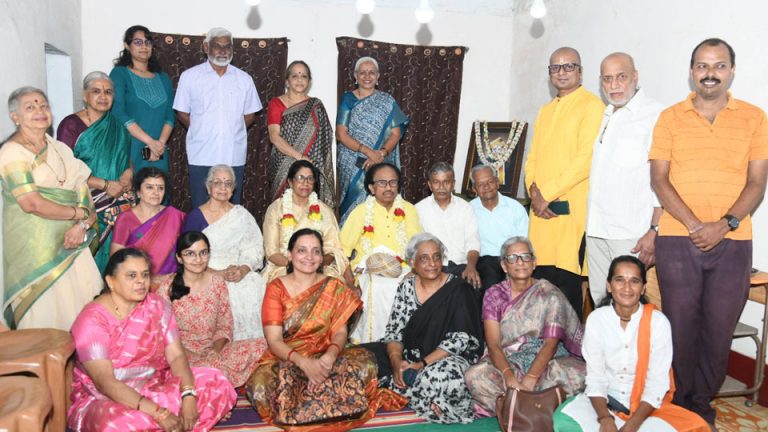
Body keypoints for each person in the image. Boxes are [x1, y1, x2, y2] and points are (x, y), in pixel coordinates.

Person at [649, 38, 768, 425]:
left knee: (719, 330)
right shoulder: (670, 117)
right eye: (702, 65)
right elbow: (659, 179)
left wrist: (724, 225)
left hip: (733, 242)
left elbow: (757, 182)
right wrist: (694, 225)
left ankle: (700, 405)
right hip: (677, 238)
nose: (710, 73)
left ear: (731, 71)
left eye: (718, 65)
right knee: (681, 327)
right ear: (691, 72)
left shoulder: (755, 118)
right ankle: (680, 405)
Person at [246, 229, 406, 430]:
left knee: (365, 365)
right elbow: (274, 341)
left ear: (322, 257)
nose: (309, 257)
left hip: (326, 354)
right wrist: (304, 363)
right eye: (302, 250)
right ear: (290, 255)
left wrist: (330, 356)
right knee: (261, 387)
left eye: (316, 251)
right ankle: (328, 400)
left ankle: (311, 400)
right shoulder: (276, 288)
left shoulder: (333, 286)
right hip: (287, 357)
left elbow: (340, 332)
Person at [68, 248, 236, 431]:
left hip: (154, 384)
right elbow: (105, 382)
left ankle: (177, 420)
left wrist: (188, 395)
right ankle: (179, 420)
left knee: (216, 381)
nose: (141, 281)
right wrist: (159, 413)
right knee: (115, 425)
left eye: (145, 274)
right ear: (111, 281)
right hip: (108, 397)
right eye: (132, 275)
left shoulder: (157, 306)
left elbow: (176, 357)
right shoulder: (92, 320)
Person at [553, 256, 709, 432]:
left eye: (634, 281)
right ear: (609, 286)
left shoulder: (658, 322)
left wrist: (633, 425)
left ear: (643, 288)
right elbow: (596, 378)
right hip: (604, 403)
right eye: (619, 280)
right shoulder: (597, 320)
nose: (627, 287)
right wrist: (605, 419)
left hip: (647, 409)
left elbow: (657, 384)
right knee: (562, 422)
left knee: (695, 427)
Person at [1, 87, 101, 330]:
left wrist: (82, 225)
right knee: (44, 310)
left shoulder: (60, 148)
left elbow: (80, 187)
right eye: (30, 107)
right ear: (15, 117)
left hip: (72, 239)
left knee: (78, 305)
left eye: (44, 106)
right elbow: (31, 203)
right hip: (35, 245)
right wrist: (78, 215)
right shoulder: (12, 152)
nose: (40, 111)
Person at [363, 233, 483, 424]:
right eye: (424, 258)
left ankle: (408, 387)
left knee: (438, 377)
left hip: (447, 358)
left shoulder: (459, 290)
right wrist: (396, 362)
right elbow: (394, 332)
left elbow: (459, 340)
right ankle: (411, 387)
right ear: (413, 262)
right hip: (409, 356)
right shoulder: (406, 287)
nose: (432, 263)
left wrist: (422, 364)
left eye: (436, 257)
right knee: (360, 360)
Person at [464, 236, 586, 417]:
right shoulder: (494, 294)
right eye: (512, 258)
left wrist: (530, 378)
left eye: (525, 257)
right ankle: (536, 406)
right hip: (507, 360)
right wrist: (509, 377)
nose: (520, 262)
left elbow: (550, 344)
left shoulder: (549, 293)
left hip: (545, 362)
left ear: (534, 262)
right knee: (475, 376)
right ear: (504, 266)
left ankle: (513, 407)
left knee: (578, 374)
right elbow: (494, 344)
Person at [525, 47, 605, 320]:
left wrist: (545, 194)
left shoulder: (592, 106)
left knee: (567, 285)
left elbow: (585, 160)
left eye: (569, 66)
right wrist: (534, 192)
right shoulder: (545, 111)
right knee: (541, 283)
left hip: (571, 213)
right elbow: (533, 157)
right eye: (555, 67)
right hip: (542, 213)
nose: (562, 72)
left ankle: (571, 345)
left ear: (580, 72)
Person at [585, 53, 664, 305]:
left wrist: (655, 230)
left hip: (631, 235)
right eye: (607, 79)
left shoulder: (655, 115)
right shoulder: (608, 114)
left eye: (621, 77)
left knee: (629, 304)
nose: (614, 85)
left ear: (635, 77)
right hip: (596, 228)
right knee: (601, 301)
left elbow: (662, 178)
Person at [157, 231, 268, 388]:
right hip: (182, 355)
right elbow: (163, 336)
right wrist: (196, 356)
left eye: (203, 253)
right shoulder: (167, 289)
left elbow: (224, 325)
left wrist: (214, 352)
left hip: (216, 350)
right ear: (179, 258)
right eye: (190, 254)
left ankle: (213, 379)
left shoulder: (217, 283)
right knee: (208, 369)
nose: (198, 259)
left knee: (263, 346)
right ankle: (212, 381)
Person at [174, 27, 262, 207]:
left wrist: (232, 130)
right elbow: (181, 111)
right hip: (201, 155)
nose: (223, 51)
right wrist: (201, 129)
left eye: (227, 46)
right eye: (217, 46)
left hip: (233, 155)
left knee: (231, 210)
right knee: (202, 208)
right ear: (206, 47)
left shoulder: (244, 79)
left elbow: (250, 114)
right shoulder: (189, 77)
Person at [56, 71, 135, 272]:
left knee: (118, 261)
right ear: (85, 96)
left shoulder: (118, 126)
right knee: (88, 265)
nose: (103, 96)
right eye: (96, 91)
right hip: (85, 202)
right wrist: (105, 185)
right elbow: (64, 168)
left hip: (117, 203)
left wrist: (128, 173)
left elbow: (126, 159)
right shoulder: (70, 125)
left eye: (108, 92)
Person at [339, 163, 421, 343]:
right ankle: (372, 341)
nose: (388, 187)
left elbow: (418, 248)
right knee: (378, 286)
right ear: (371, 187)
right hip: (367, 270)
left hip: (403, 269)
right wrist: (350, 283)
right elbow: (342, 252)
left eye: (393, 182)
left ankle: (400, 341)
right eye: (382, 183)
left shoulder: (409, 210)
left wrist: (415, 272)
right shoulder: (361, 212)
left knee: (408, 285)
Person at [182, 165, 266, 340]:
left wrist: (243, 269)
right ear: (208, 187)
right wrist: (217, 274)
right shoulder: (196, 217)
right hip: (205, 272)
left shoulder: (241, 215)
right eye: (217, 183)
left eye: (228, 184)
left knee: (254, 286)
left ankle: (250, 346)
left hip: (239, 271)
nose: (223, 188)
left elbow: (254, 248)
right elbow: (188, 255)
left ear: (233, 188)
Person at [336, 56, 409, 224]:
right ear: (355, 76)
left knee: (380, 202)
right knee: (352, 203)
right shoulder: (348, 99)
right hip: (352, 161)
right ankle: (351, 236)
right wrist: (369, 152)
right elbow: (341, 134)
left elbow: (395, 133)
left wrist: (380, 154)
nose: (367, 76)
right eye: (362, 72)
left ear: (378, 76)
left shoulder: (387, 101)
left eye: (371, 72)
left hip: (380, 160)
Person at [262, 160, 347, 282]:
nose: (305, 183)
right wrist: (296, 266)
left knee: (332, 285)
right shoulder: (276, 209)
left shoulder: (324, 210)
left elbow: (333, 249)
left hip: (318, 268)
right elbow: (271, 252)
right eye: (300, 178)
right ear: (290, 182)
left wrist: (314, 264)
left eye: (310, 178)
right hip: (285, 267)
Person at [267, 60, 335, 207]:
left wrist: (310, 163)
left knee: (311, 208)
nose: (299, 80)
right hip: (283, 165)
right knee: (283, 208)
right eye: (295, 76)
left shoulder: (316, 105)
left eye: (304, 76)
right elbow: (274, 137)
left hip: (311, 166)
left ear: (309, 81)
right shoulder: (276, 103)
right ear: (287, 81)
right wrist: (300, 158)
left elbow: (325, 138)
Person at [110, 25, 175, 173]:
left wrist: (159, 144)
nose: (144, 46)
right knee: (131, 186)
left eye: (148, 42)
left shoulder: (163, 77)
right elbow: (118, 112)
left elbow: (170, 115)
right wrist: (150, 141)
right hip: (130, 148)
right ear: (127, 45)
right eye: (138, 42)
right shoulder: (119, 74)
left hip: (158, 150)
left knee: (157, 186)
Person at [415, 161, 482, 289]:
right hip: (433, 268)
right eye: (436, 182)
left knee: (471, 291)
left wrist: (471, 267)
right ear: (430, 185)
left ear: (453, 184)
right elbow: (417, 247)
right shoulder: (419, 209)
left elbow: (473, 241)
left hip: (462, 267)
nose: (441, 187)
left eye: (446, 182)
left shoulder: (465, 208)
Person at [111, 167, 185, 279]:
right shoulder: (125, 219)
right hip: (137, 282)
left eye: (161, 188)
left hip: (171, 281)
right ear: (138, 192)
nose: (156, 192)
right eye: (149, 187)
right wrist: (152, 279)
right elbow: (116, 261)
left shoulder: (176, 216)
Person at [469, 165, 529, 291]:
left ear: (497, 183)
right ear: (474, 188)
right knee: (490, 275)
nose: (486, 187)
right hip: (484, 261)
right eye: (480, 184)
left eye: (490, 181)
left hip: (513, 259)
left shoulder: (515, 208)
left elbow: (524, 241)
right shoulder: (468, 210)